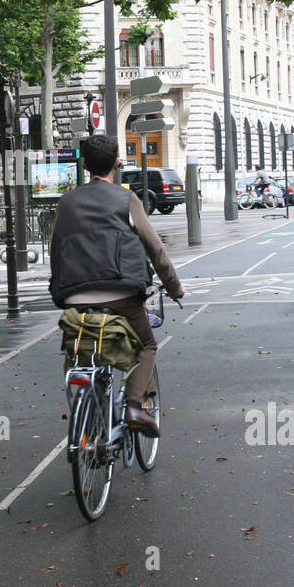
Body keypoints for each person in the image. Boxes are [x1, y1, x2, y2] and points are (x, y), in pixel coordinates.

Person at [49, 133, 185, 435]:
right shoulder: (127, 199)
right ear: (117, 163)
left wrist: (60, 291)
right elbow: (155, 249)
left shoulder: (66, 202)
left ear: (85, 165)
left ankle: (87, 409)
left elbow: (55, 250)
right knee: (146, 344)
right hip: (122, 294)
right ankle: (135, 405)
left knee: (83, 345)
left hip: (75, 297)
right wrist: (175, 288)